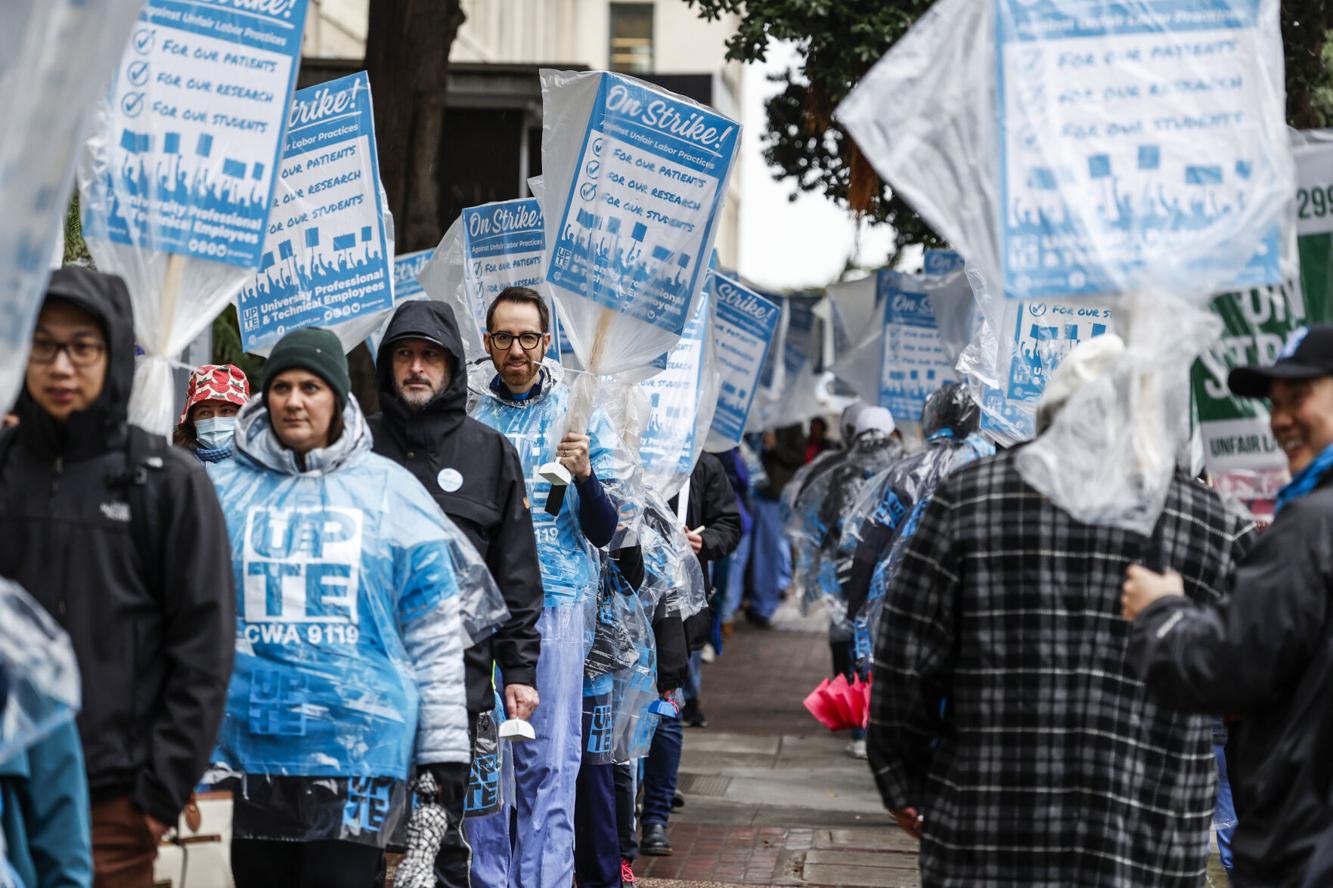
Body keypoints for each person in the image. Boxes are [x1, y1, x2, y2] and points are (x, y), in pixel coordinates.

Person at [868, 335, 1253, 886]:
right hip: (1148, 835)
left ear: (1049, 416)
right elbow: (1260, 663)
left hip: (988, 832)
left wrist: (900, 779)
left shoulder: (969, 500)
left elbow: (906, 656)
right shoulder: (1209, 520)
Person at [209, 328, 470, 885]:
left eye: (310, 386)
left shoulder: (389, 493)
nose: (294, 400)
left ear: (338, 398)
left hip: (358, 760)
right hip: (248, 752)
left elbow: (434, 637)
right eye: (280, 386)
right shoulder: (221, 492)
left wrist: (443, 754)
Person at [0, 268, 234, 887]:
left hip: (112, 803)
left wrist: (154, 798)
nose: (60, 365)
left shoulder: (166, 481)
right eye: (43, 344)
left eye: (82, 346)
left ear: (112, 353)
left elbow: (204, 653)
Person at [1121, 324, 1333, 887]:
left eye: (1300, 398)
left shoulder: (1311, 527)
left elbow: (1224, 665)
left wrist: (1161, 613)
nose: (1280, 419)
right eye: (1275, 404)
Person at [367, 301, 543, 888]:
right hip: (364, 680)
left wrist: (519, 669)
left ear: (450, 367)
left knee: (440, 839)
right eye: (404, 354)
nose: (417, 367)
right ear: (387, 365)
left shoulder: (491, 452)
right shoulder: (352, 447)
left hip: (455, 685)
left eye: (430, 356)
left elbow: (514, 572)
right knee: (358, 838)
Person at [466, 287, 623, 888]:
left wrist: (585, 478)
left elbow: (604, 531)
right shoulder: (472, 416)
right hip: (482, 610)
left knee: (549, 763)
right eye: (503, 338)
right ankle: (488, 880)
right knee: (486, 761)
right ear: (487, 344)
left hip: (557, 608)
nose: (516, 350)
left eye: (527, 337)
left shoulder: (579, 415)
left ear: (546, 341)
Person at [638, 453, 742, 857]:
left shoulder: (702, 463)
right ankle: (629, 814)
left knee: (665, 712)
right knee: (621, 716)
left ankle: (655, 817)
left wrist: (705, 541)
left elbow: (730, 523)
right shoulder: (618, 445)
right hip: (623, 605)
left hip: (678, 618)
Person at [748, 424, 804, 627]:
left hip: (773, 495)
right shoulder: (759, 419)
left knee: (768, 552)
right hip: (751, 492)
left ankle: (764, 605)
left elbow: (797, 457)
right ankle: (754, 602)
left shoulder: (791, 422)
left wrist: (775, 446)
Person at [172, 363, 250, 463]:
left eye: (226, 410)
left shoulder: (263, 463)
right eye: (205, 412)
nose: (215, 420)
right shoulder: (174, 465)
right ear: (191, 420)